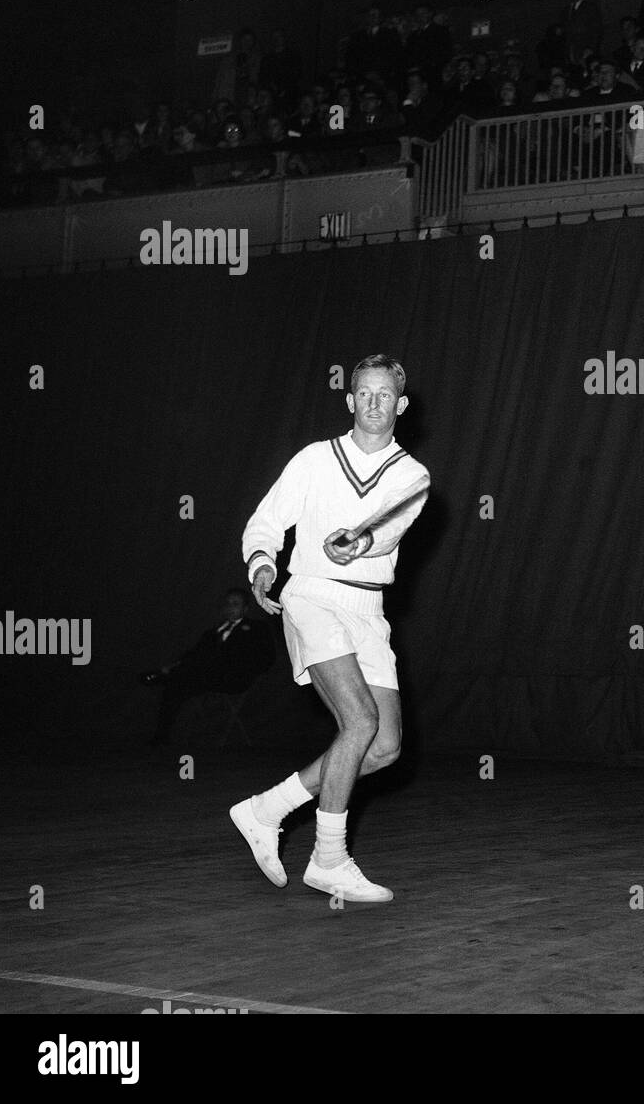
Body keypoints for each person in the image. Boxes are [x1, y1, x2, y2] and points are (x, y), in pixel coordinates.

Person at [231, 355, 430, 903]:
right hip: (312, 596)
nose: (373, 403)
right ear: (349, 400)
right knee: (359, 719)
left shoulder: (413, 476)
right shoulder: (314, 460)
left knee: (384, 746)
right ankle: (329, 858)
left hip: (368, 611)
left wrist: (359, 542)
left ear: (401, 405)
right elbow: (265, 523)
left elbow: (386, 532)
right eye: (363, 393)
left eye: (384, 395)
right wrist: (263, 564)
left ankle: (265, 809)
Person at [141, 587, 274, 744]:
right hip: (205, 676)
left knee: (183, 677)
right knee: (175, 686)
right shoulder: (213, 632)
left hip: (233, 677)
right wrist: (172, 665)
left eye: (236, 604)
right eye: (228, 604)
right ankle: (161, 736)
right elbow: (194, 654)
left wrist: (245, 669)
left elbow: (265, 657)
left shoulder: (256, 629)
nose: (230, 608)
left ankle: (166, 676)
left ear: (245, 608)